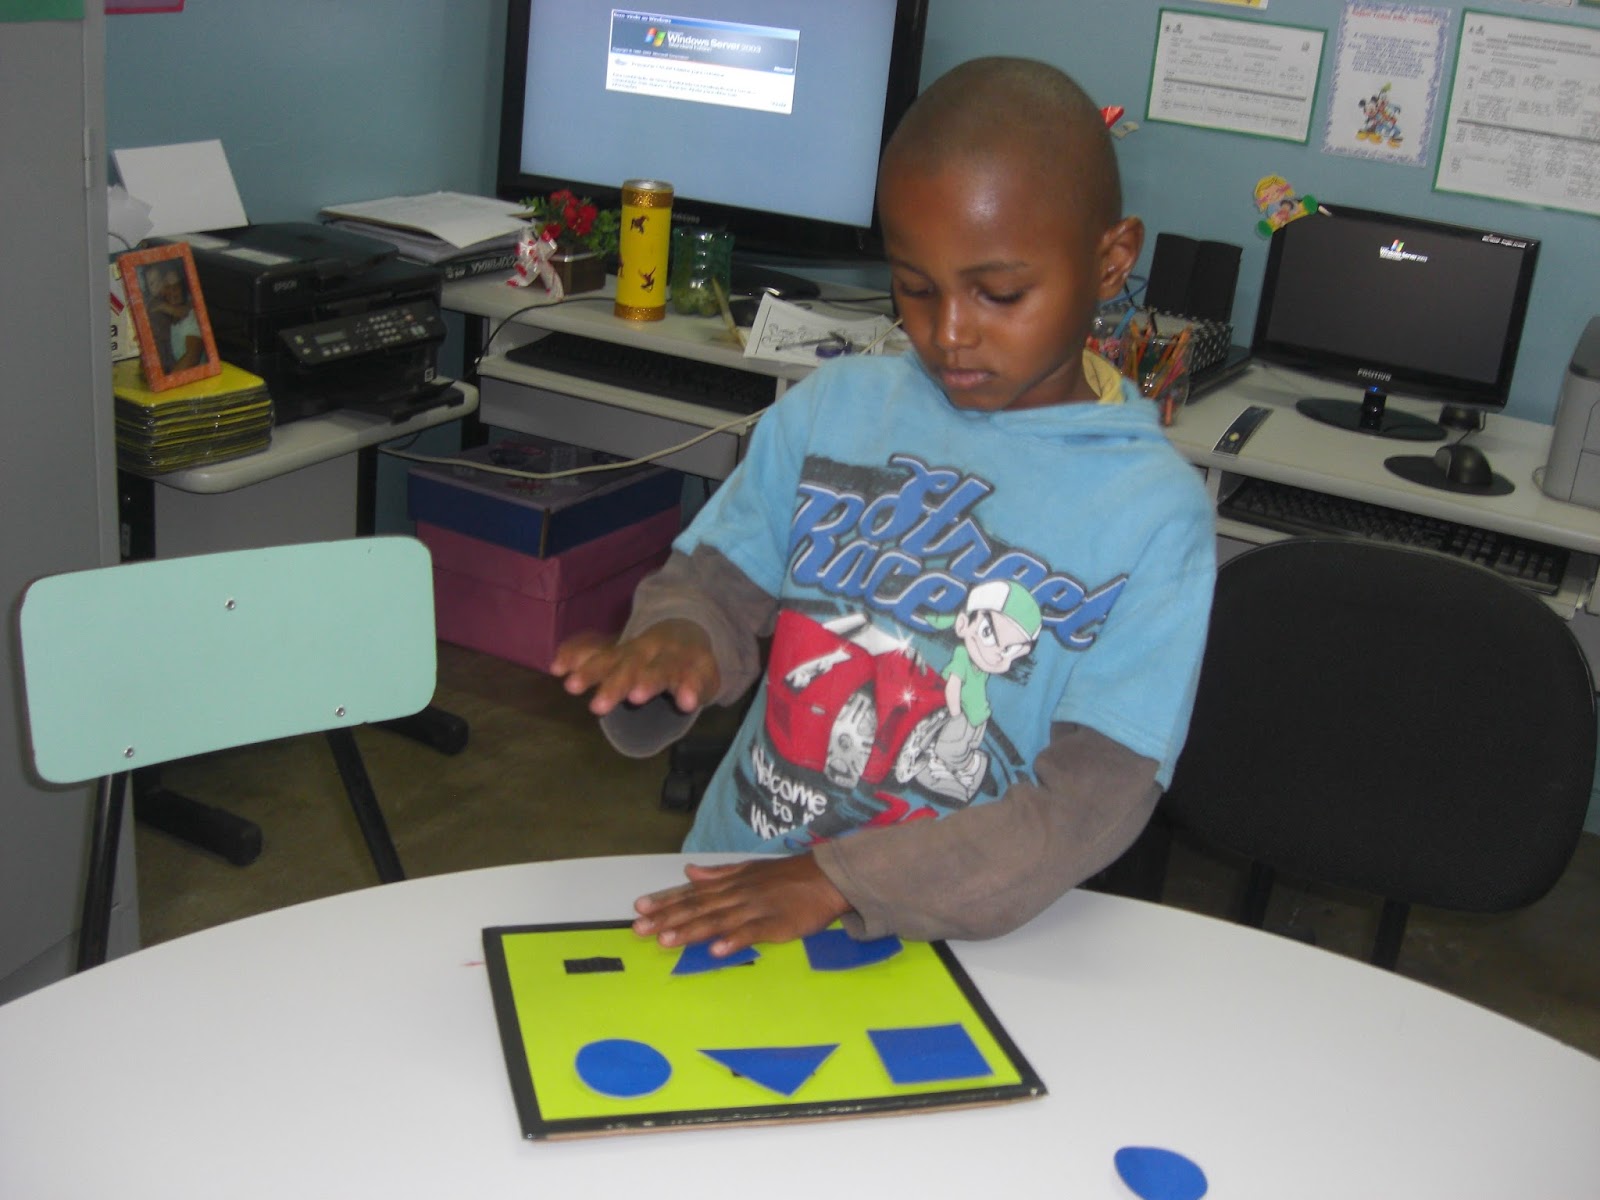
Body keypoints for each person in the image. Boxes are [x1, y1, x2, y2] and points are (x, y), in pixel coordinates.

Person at [552, 57, 1216, 958]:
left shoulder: (1153, 515)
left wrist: (835, 880)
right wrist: (676, 646)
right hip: (741, 886)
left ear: (1111, 260)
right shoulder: (835, 408)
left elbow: (1085, 807)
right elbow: (713, 586)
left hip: (959, 935)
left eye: (1000, 293)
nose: (949, 332)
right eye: (915, 286)